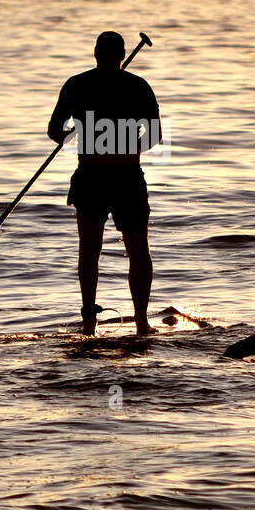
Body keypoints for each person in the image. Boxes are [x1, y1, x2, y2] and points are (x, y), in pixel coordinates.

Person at [48, 31, 161, 335]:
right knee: (138, 250)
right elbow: (154, 138)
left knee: (89, 251)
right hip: (126, 177)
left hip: (91, 177)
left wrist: (74, 135)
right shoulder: (138, 86)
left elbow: (53, 131)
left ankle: (89, 323)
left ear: (96, 53)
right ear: (122, 55)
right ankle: (141, 322)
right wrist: (125, 142)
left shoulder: (76, 85)